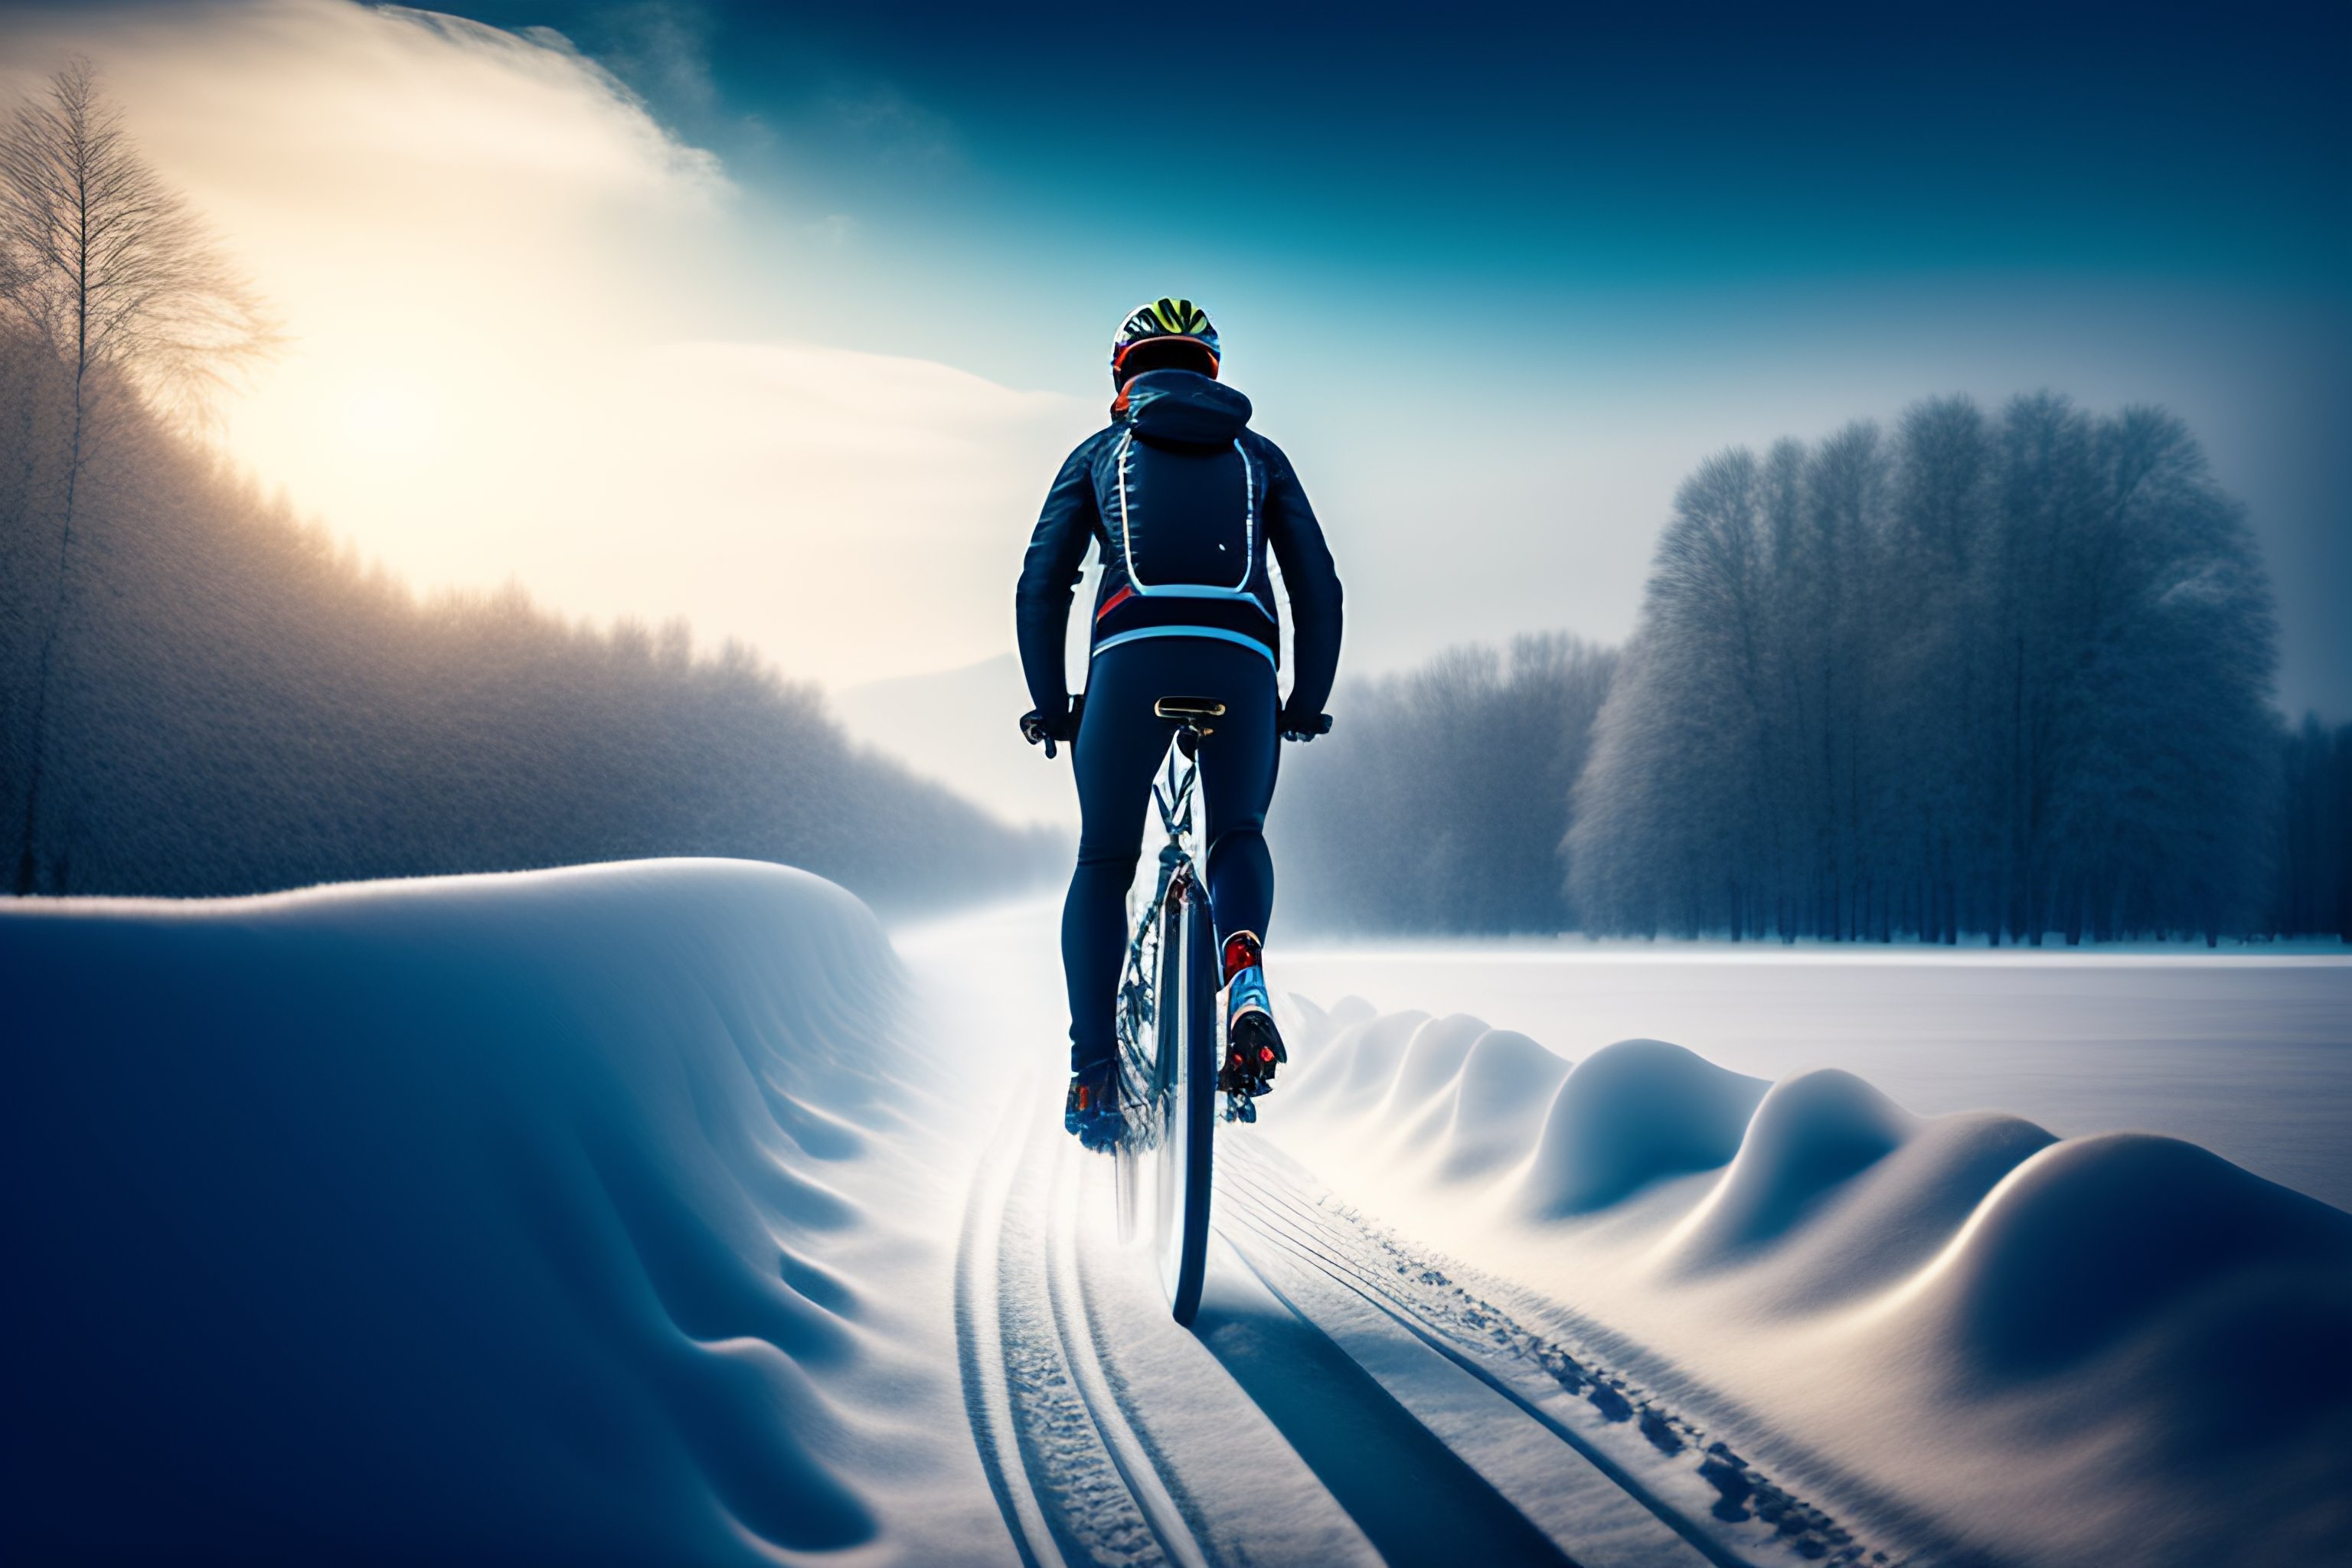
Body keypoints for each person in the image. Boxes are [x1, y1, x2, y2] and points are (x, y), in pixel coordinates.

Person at [1016, 297, 1343, 1150]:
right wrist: (1305, 699)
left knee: (1104, 859)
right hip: (1242, 661)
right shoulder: (1258, 456)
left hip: (1130, 662)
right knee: (1236, 832)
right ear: (1213, 372)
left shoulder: (1100, 452)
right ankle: (1242, 970)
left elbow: (1042, 582)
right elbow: (1318, 586)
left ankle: (1094, 1074)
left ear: (1124, 374)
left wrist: (1052, 702)